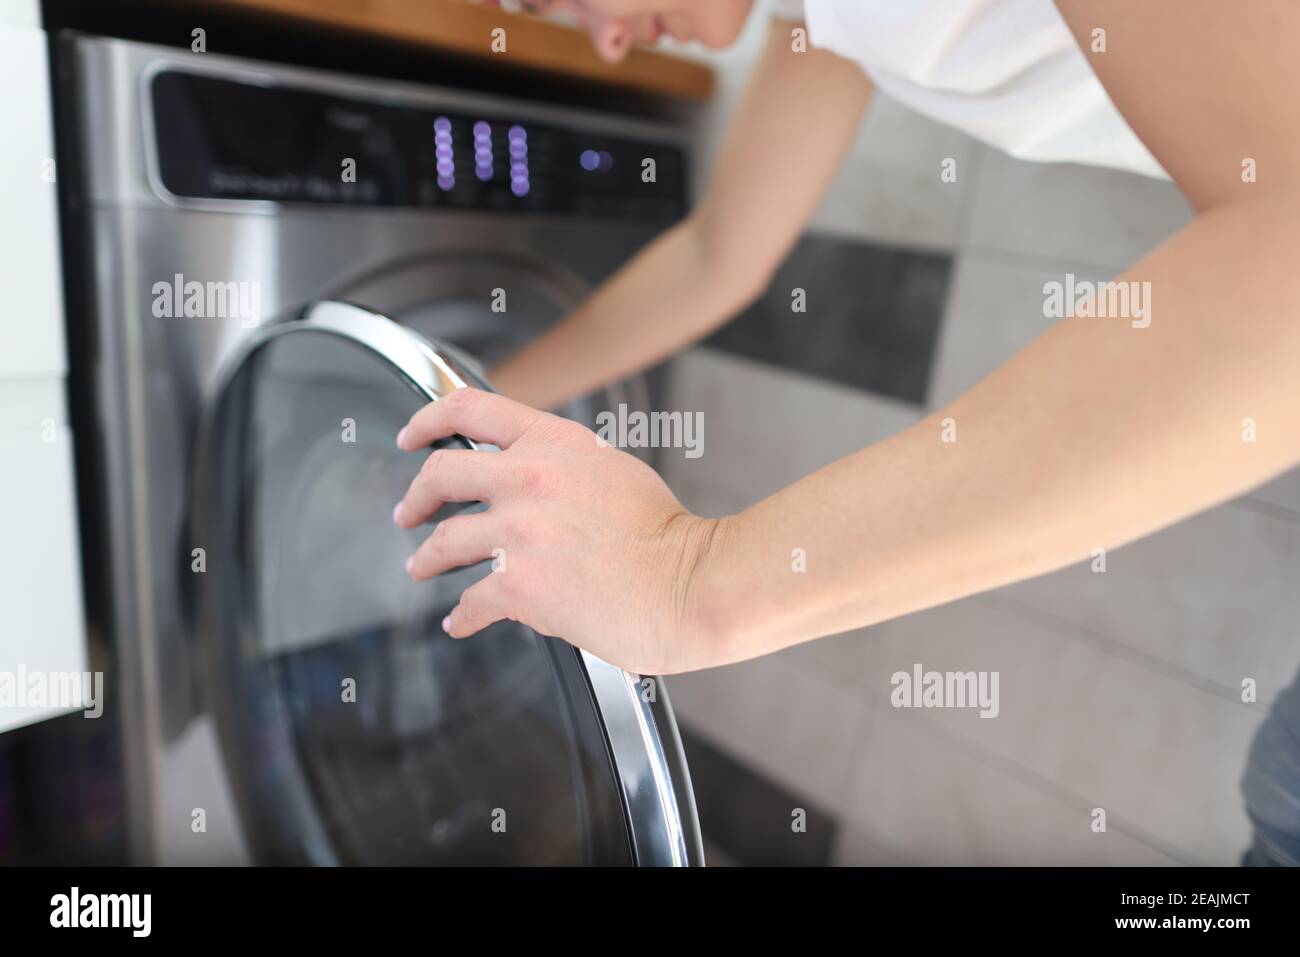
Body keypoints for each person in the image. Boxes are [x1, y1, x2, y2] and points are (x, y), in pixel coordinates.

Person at [392, 1, 1300, 864]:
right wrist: (461, 402)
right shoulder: (808, 20)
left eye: (563, 3)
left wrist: (688, 580)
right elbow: (718, 256)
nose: (613, 42)